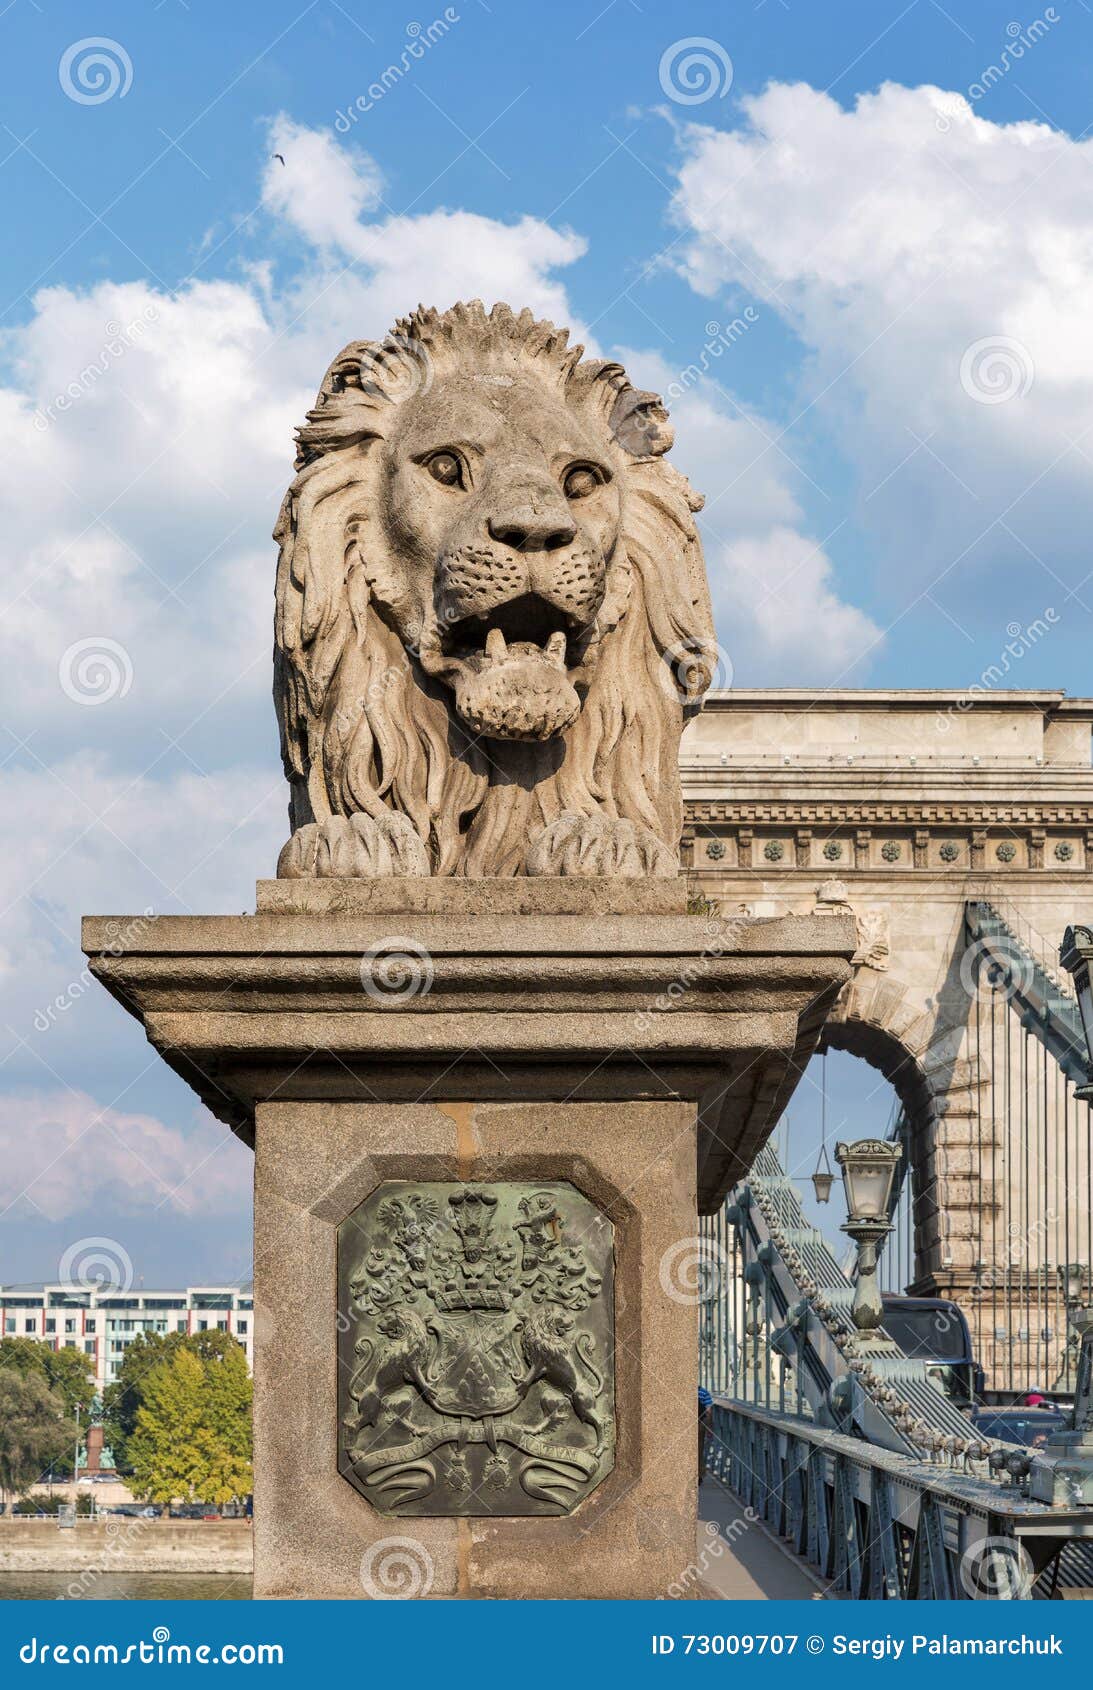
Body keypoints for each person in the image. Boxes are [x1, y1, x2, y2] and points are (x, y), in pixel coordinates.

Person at [698, 1385, 713, 1483]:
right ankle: (699, 1475)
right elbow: (709, 1411)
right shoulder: (703, 1392)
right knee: (698, 1450)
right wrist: (709, 1428)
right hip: (700, 1424)